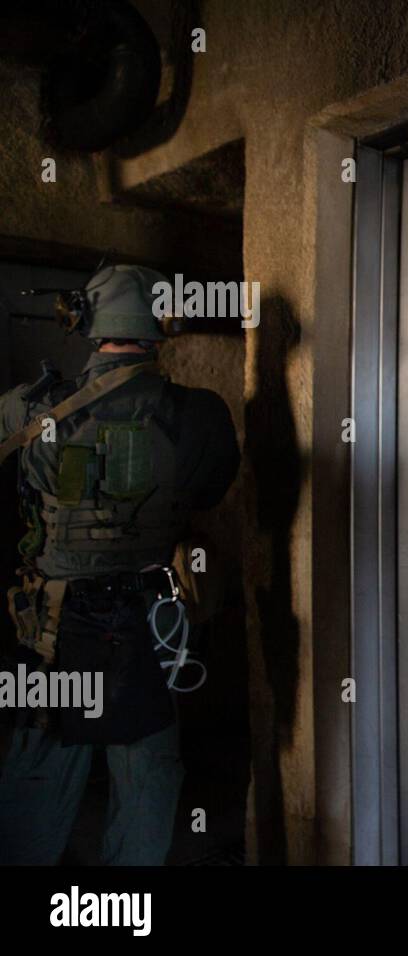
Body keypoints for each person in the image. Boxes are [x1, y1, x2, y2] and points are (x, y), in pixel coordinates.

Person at [0, 264, 240, 865]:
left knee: (39, 774)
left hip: (56, 629)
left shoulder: (28, 409)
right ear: (161, 324)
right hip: (148, 626)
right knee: (148, 780)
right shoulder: (202, 415)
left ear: (87, 319)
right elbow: (209, 495)